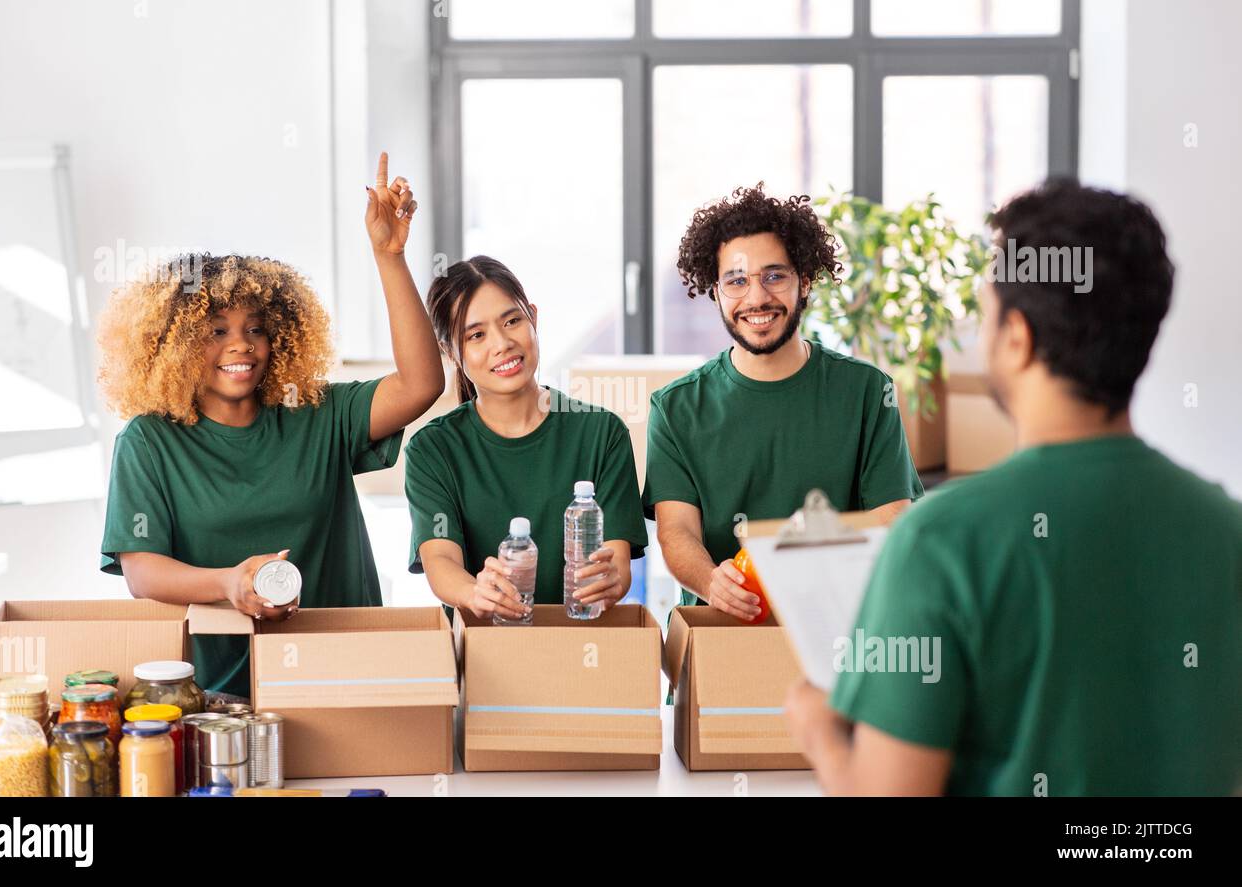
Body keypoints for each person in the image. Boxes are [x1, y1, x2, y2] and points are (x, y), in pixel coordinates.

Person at [785, 179, 1242, 796]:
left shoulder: (943, 540)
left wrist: (817, 728)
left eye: (985, 314)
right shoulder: (1225, 528)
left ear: (1018, 337)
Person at [98, 153, 443, 698]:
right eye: (215, 331)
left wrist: (389, 256)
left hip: (350, 672)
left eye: (255, 328)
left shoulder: (318, 414)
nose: (241, 344)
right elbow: (142, 573)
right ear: (177, 344)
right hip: (223, 693)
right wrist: (228, 583)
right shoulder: (149, 442)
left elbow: (423, 384)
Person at [645, 184, 923, 620]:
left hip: (838, 630)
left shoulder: (867, 392)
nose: (756, 298)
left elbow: (892, 517)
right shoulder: (676, 408)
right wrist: (711, 581)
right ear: (716, 291)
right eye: (736, 281)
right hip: (723, 632)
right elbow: (676, 532)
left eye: (774, 276)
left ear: (805, 281)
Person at [405, 256, 648, 620]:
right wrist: (475, 591)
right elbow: (440, 559)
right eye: (476, 335)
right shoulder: (433, 449)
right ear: (450, 351)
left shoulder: (602, 433)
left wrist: (612, 579)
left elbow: (617, 561)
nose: (502, 343)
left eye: (512, 321)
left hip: (584, 650)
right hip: (484, 652)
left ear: (533, 317)